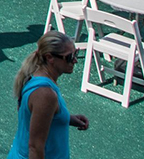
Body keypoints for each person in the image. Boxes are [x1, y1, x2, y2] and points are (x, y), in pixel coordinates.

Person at [7, 31, 89, 159]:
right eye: (69, 57)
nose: (75, 60)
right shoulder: (45, 94)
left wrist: (67, 118)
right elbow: (35, 147)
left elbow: (32, 116)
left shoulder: (34, 76)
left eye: (76, 54)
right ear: (50, 57)